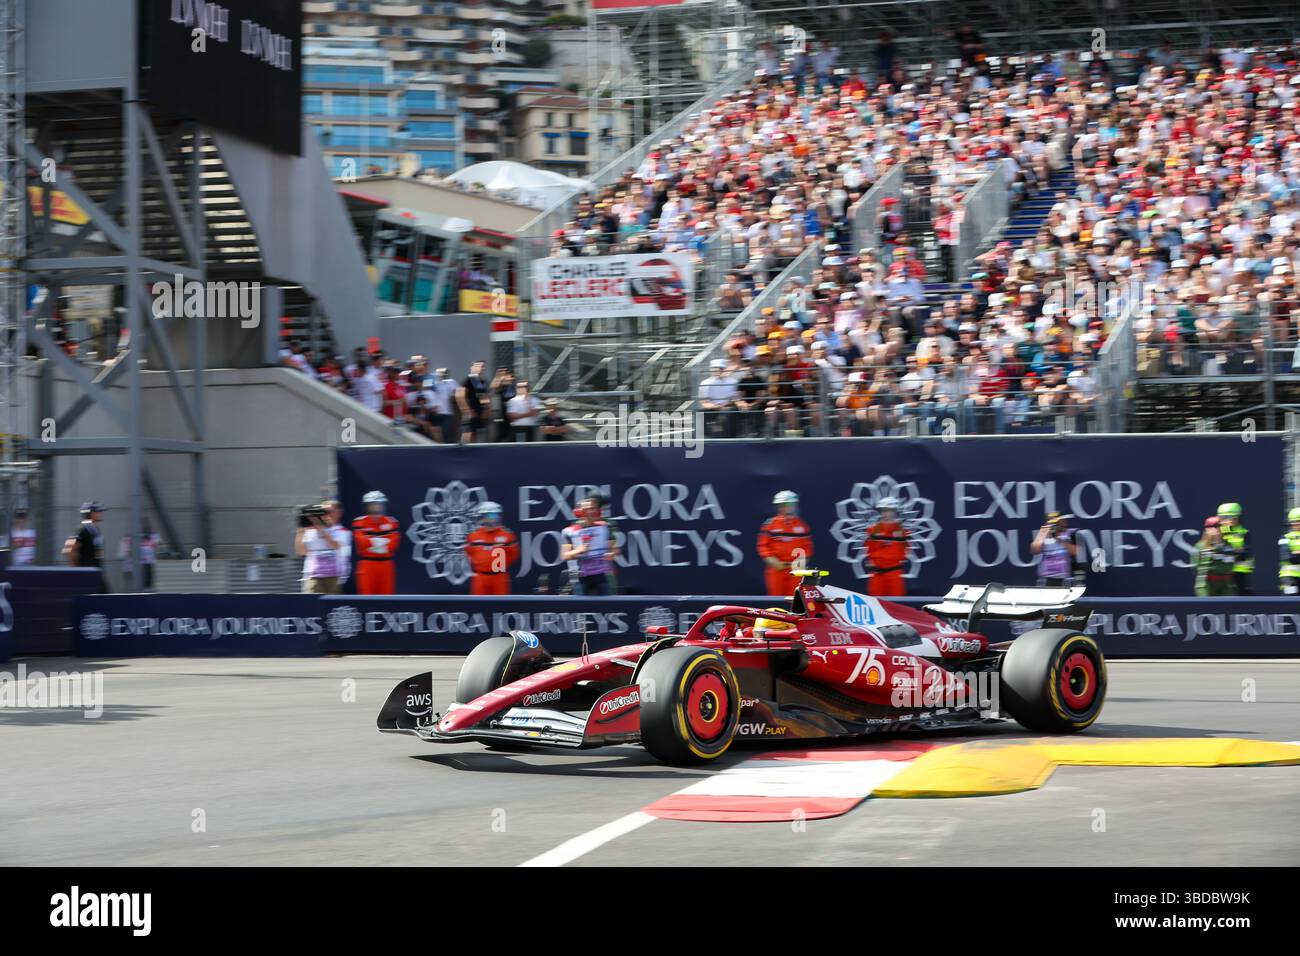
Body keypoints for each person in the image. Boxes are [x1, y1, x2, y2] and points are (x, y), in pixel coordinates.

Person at [756, 490, 813, 597]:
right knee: (776, 597)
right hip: (776, 568)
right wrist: (771, 560)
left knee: (796, 597)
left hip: (796, 570)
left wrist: (802, 561)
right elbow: (762, 546)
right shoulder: (770, 525)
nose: (785, 507)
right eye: (781, 505)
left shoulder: (802, 526)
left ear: (794, 505)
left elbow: (807, 547)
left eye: (789, 504)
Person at [351, 490, 401, 595]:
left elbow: (392, 545)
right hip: (367, 566)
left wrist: (372, 542)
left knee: (387, 598)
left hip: (386, 566)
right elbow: (362, 543)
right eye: (373, 505)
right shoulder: (359, 522)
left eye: (379, 504)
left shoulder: (392, 522)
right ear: (367, 506)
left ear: (383, 506)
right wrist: (383, 542)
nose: (376, 507)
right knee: (366, 597)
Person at [561, 497, 613, 596]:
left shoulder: (604, 528)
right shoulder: (569, 531)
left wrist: (611, 554)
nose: (594, 511)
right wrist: (578, 551)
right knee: (581, 609)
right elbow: (565, 555)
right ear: (579, 512)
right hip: (580, 578)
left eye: (595, 508)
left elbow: (612, 549)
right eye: (590, 508)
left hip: (600, 576)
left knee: (606, 607)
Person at [464, 501, 519, 595]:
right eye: (489, 515)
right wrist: (482, 563)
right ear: (483, 517)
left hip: (500, 577)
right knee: (478, 606)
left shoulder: (507, 535)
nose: (492, 518)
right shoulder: (473, 536)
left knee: (500, 606)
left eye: (495, 515)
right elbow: (469, 553)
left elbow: (514, 555)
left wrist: (499, 565)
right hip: (480, 577)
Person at [296, 503, 346, 594]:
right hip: (313, 576)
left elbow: (335, 546)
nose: (323, 516)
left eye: (326, 513)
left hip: (333, 576)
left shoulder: (338, 530)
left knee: (333, 605)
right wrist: (300, 528)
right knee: (311, 604)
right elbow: (301, 551)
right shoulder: (308, 531)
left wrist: (320, 528)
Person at [865, 497, 910, 596]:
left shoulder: (903, 532)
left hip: (894, 574)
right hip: (877, 575)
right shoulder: (872, 530)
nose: (885, 513)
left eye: (889, 511)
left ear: (895, 511)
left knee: (896, 604)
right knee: (875, 603)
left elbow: (905, 550)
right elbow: (870, 549)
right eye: (883, 510)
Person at [1195, 517, 1239, 597]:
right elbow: (1195, 567)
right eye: (1215, 527)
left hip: (1227, 584)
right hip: (1207, 584)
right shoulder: (1200, 546)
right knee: (1208, 608)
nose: (1218, 530)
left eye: (1221, 527)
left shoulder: (1228, 545)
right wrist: (1210, 551)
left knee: (1230, 607)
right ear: (1208, 529)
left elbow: (1231, 564)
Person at [1031, 511, 1077, 587]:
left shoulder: (1070, 533)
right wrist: (1045, 530)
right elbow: (1035, 550)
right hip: (1046, 578)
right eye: (1055, 522)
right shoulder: (1043, 533)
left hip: (1064, 578)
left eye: (1061, 521)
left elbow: (1075, 551)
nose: (1062, 523)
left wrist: (1060, 540)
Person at [1217, 502, 1253, 595]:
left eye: (1232, 517)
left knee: (1244, 595)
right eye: (1224, 518)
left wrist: (1230, 552)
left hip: (1240, 572)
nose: (1228, 520)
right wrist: (1235, 551)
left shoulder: (1243, 532)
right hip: (1222, 571)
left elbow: (1244, 554)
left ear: (1238, 518)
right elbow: (1217, 550)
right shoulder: (1218, 532)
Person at [118, 522, 161, 591]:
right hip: (135, 566)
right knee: (135, 586)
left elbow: (157, 543)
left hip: (146, 564)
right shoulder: (130, 538)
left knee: (146, 584)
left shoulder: (151, 537)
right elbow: (123, 553)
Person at [65, 502, 106, 569]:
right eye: (97, 511)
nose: (101, 513)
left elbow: (98, 553)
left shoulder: (96, 529)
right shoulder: (82, 529)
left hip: (96, 571)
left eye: (100, 511)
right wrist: (78, 570)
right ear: (89, 514)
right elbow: (68, 550)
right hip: (87, 572)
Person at [457, 360, 489, 443]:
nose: (481, 368)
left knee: (478, 435)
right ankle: (464, 453)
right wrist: (467, 410)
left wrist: (486, 409)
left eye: (483, 366)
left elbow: (482, 396)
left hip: (479, 414)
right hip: (471, 413)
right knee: (468, 432)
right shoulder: (468, 380)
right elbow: (460, 395)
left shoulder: (482, 382)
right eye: (478, 366)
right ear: (472, 367)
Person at [1278, 508, 1300, 595]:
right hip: (1288, 578)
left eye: (1299, 521)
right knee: (1290, 603)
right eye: (1294, 521)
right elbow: (1288, 557)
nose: (1297, 523)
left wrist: (1296, 552)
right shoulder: (1284, 538)